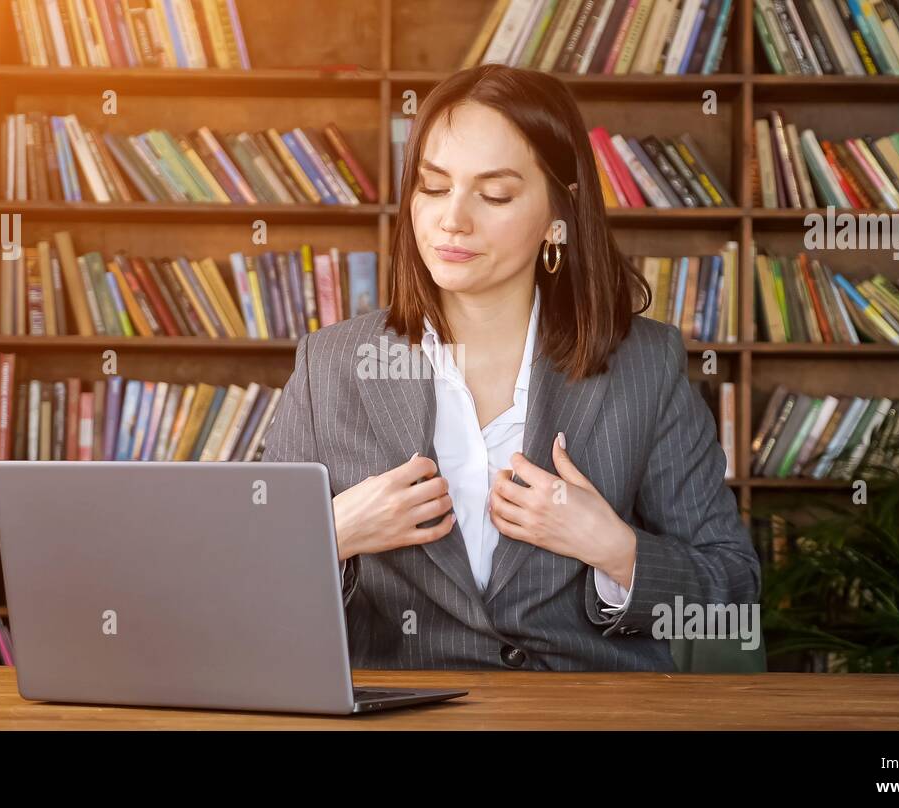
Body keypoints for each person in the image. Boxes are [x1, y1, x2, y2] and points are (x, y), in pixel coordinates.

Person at [261, 64, 759, 671]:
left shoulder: (644, 365)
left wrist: (615, 551)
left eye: (494, 194)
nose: (453, 220)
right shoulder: (331, 366)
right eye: (433, 186)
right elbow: (243, 593)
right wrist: (329, 534)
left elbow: (732, 592)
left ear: (559, 212)